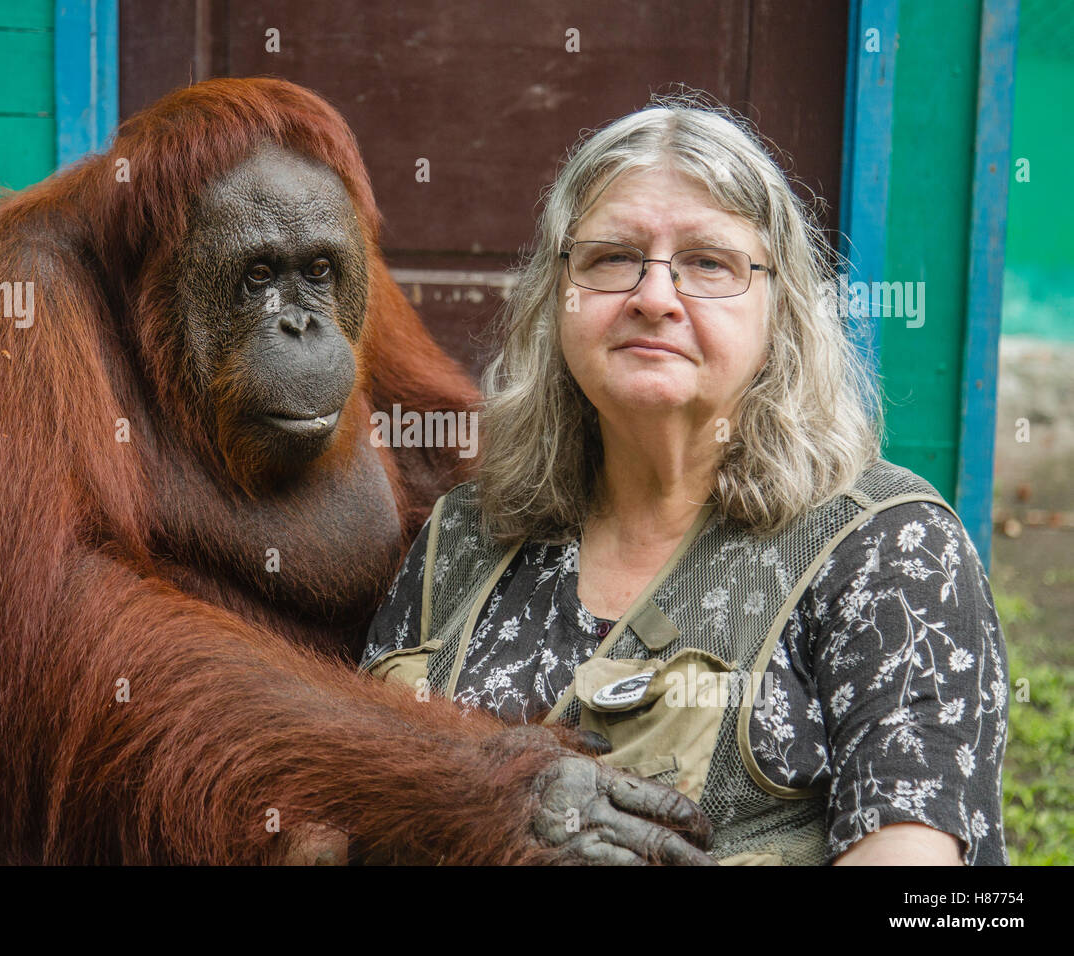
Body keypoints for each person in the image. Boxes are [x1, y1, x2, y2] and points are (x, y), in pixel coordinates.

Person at [360, 95, 1009, 866]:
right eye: (611, 258)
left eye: (708, 263)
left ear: (783, 313)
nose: (655, 297)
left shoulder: (890, 548)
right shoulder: (466, 535)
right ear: (555, 299)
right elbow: (353, 818)